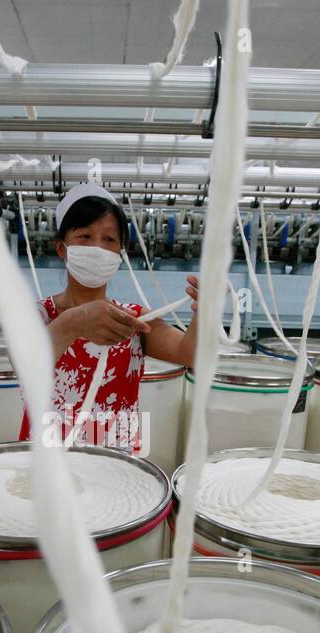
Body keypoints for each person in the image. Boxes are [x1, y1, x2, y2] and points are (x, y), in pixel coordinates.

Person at [19, 182, 200, 454]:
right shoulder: (38, 315)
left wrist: (204, 316)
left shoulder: (134, 320)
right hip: (49, 457)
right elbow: (23, 362)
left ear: (120, 253)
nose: (98, 247)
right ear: (61, 248)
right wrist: (77, 320)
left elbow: (190, 353)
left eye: (109, 239)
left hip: (116, 461)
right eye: (85, 236)